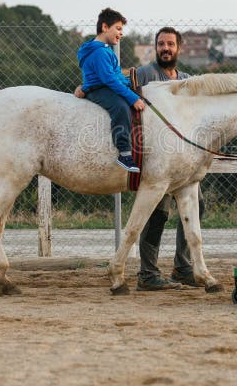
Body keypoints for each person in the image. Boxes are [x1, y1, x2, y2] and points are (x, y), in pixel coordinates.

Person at [75, 26, 204, 290]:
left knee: (196, 206)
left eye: (170, 44)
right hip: (155, 159)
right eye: (160, 44)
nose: (165, 48)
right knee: (157, 214)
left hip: (180, 162)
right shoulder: (145, 74)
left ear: (179, 48)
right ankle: (148, 272)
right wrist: (87, 86)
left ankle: (183, 266)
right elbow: (115, 80)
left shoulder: (188, 80)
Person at [77, 8, 145, 172]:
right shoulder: (100, 52)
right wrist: (132, 98)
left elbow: (116, 76)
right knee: (120, 107)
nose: (121, 33)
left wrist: (130, 82)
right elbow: (109, 79)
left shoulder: (105, 50)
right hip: (99, 89)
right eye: (118, 28)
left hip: (106, 85)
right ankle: (124, 152)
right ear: (105, 27)